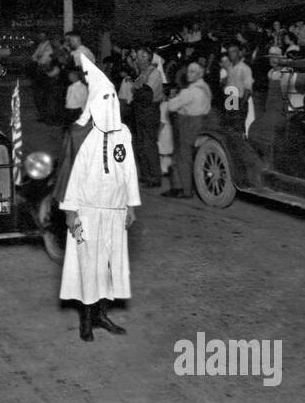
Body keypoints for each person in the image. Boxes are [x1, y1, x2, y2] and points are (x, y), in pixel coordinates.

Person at [54, 53, 139, 341]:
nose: (110, 105)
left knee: (109, 263)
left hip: (114, 211)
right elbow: (72, 175)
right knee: (86, 264)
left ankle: (102, 314)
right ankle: (86, 320)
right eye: (104, 100)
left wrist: (130, 204)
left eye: (112, 99)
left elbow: (128, 169)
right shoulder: (82, 135)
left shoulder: (122, 134)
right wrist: (70, 211)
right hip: (87, 211)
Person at [162, 62, 211, 199]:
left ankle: (185, 190)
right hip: (201, 123)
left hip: (187, 124)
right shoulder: (205, 88)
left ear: (200, 74)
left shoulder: (189, 92)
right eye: (189, 71)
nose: (189, 74)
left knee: (183, 158)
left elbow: (171, 106)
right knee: (189, 157)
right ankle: (186, 187)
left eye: (193, 72)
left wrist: (173, 98)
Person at [130, 48, 164, 188]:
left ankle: (154, 178)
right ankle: (146, 175)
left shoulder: (154, 73)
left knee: (149, 144)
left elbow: (145, 95)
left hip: (149, 111)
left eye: (138, 57)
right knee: (141, 144)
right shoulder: (143, 73)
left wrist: (136, 90)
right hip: (141, 111)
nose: (136, 61)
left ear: (146, 58)